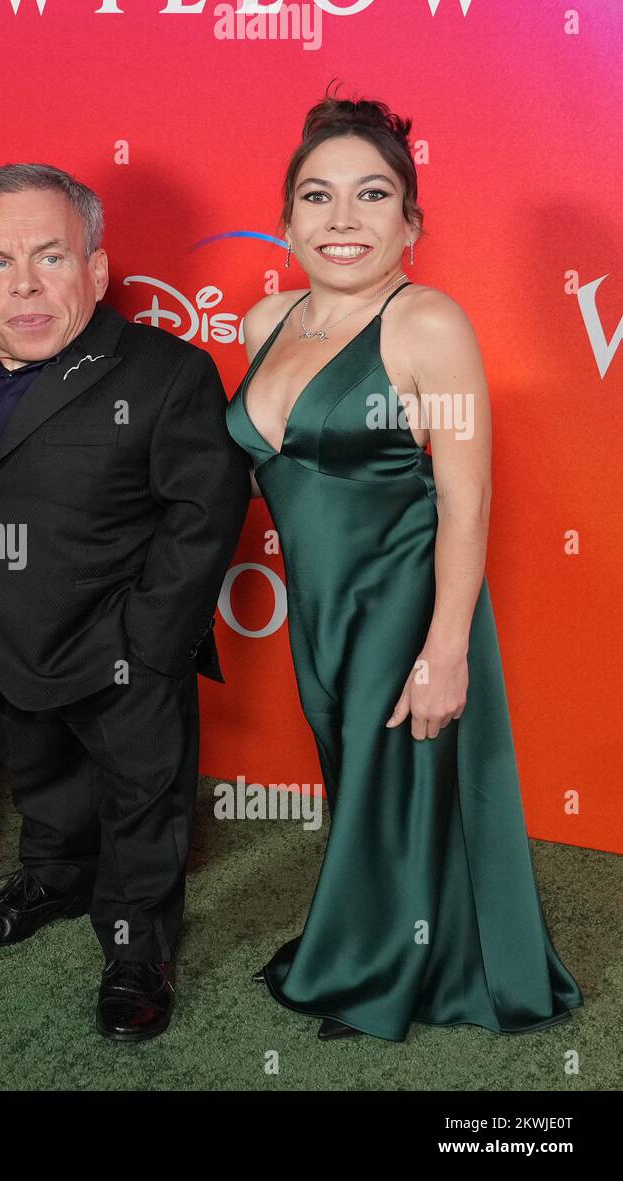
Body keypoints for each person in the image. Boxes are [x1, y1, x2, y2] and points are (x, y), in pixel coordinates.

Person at [226, 93, 583, 1040]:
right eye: (318, 195)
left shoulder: (428, 325)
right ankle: (390, 949)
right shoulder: (267, 316)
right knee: (362, 781)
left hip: (405, 602)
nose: (342, 220)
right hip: (317, 610)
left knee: (401, 783)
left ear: (410, 222)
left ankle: (389, 971)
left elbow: (466, 502)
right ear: (287, 216)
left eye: (372, 195)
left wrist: (447, 648)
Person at [0, 164, 252, 1041]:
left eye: (50, 257)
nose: (25, 285)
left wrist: (149, 645)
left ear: (98, 269)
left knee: (143, 807)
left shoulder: (165, 373)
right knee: (43, 781)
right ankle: (52, 877)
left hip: (123, 650)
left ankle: (137, 951)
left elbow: (204, 513)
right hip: (5, 640)